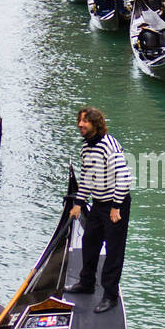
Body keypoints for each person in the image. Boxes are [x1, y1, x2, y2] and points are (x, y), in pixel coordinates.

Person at [66, 108, 132, 313]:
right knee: (90, 242)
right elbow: (86, 179)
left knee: (113, 250)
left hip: (115, 204)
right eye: (79, 120)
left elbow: (124, 177)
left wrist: (116, 207)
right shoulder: (86, 149)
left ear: (96, 124)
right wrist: (78, 203)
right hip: (98, 203)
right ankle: (86, 283)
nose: (80, 124)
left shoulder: (109, 145)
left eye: (84, 121)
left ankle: (110, 295)